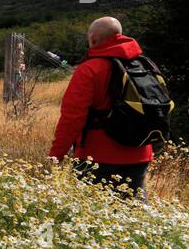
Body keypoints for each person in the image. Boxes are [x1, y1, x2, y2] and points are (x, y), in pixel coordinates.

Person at [48, 17, 154, 195]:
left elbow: (72, 118)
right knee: (134, 213)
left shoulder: (89, 69)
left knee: (91, 216)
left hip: (97, 157)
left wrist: (56, 155)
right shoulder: (144, 64)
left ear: (93, 39)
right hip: (140, 154)